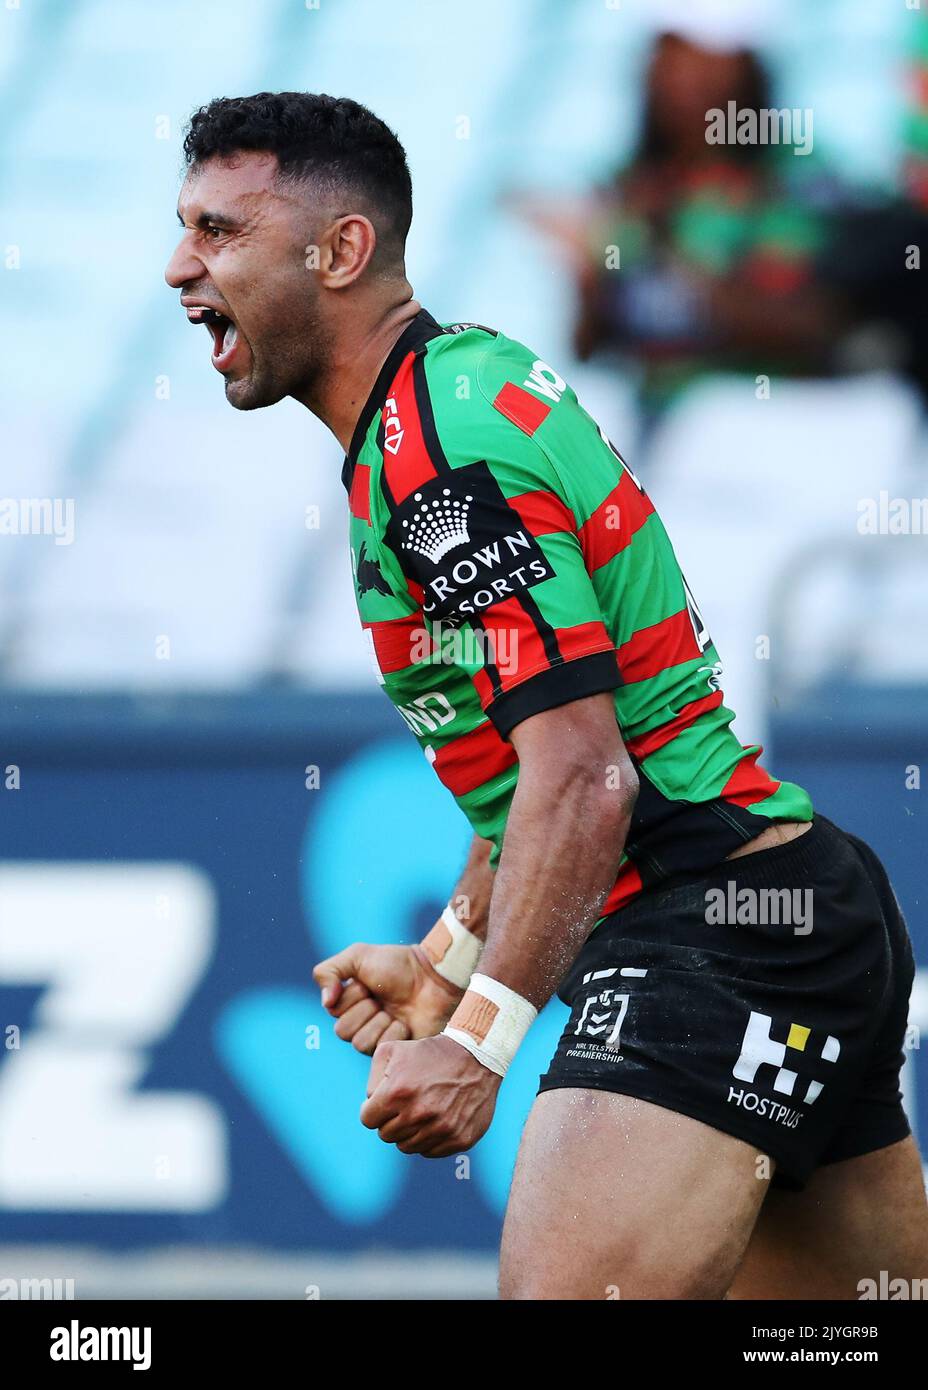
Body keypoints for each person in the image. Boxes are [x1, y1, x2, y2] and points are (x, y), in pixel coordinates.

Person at [165, 92, 927, 1299]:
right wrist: (450, 952)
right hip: (785, 910)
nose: (179, 267)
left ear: (342, 251)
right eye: (183, 228)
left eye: (218, 231)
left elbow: (586, 775)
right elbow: (544, 766)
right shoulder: (444, 403)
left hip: (712, 932)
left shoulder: (438, 462)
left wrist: (479, 1042)